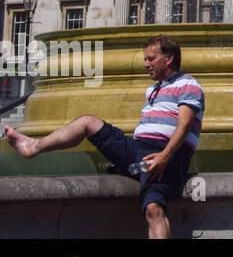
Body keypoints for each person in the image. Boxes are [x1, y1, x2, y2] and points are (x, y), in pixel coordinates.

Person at [4, 35, 202, 239]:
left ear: (168, 59)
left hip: (165, 153)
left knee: (154, 209)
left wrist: (165, 156)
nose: (146, 64)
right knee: (87, 122)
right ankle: (33, 146)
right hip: (136, 148)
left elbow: (184, 124)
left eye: (151, 59)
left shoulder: (188, 85)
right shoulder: (153, 89)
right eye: (145, 59)